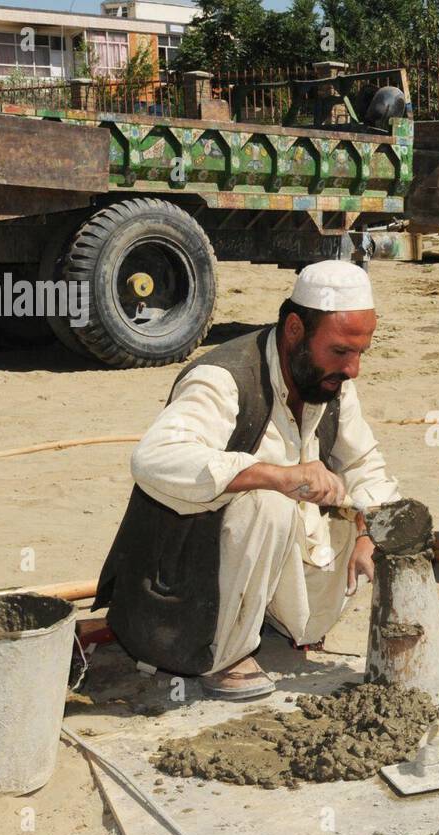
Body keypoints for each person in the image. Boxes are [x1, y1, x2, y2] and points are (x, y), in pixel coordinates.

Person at [94, 261, 399, 698]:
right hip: (178, 587)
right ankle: (227, 655)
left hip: (262, 561)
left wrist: (371, 531)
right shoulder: (222, 378)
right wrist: (275, 475)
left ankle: (276, 622)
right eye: (340, 352)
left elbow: (366, 464)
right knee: (268, 501)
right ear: (295, 329)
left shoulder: (330, 382)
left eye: (359, 353)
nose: (353, 370)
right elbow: (153, 458)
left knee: (372, 511)